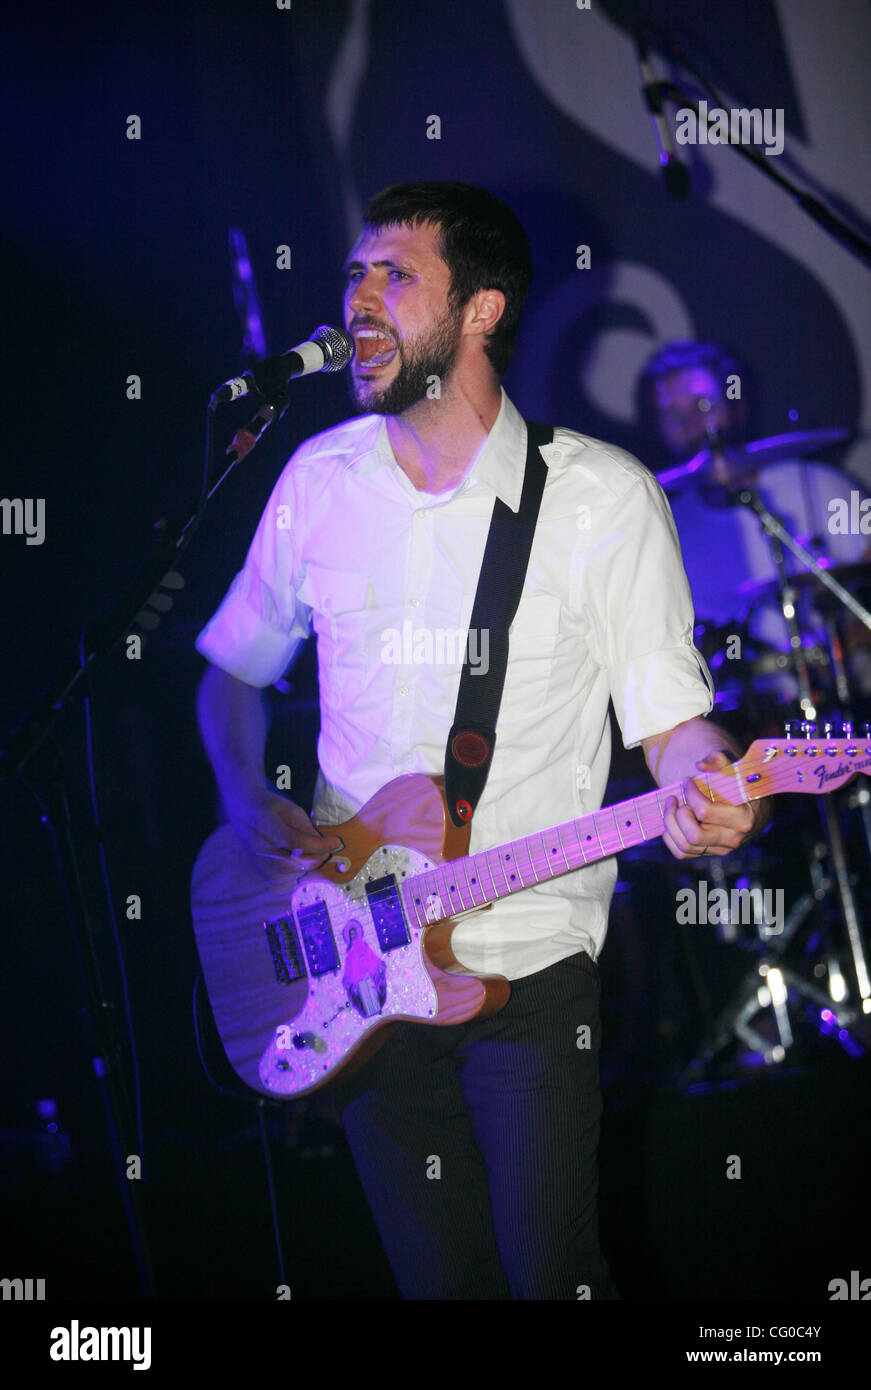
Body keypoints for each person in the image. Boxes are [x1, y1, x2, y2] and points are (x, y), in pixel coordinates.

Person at [195, 183, 769, 1300]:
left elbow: (672, 725)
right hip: (352, 976)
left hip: (532, 966)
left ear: (481, 310)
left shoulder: (600, 498)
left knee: (549, 1276)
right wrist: (235, 793)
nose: (357, 299)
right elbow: (228, 674)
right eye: (353, 273)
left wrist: (714, 789)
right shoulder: (320, 481)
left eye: (392, 276)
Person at [635, 341, 868, 706]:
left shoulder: (823, 487)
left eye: (703, 405)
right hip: (746, 720)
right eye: (674, 417)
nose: (694, 425)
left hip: (855, 694)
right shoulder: (665, 529)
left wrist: (839, 650)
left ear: (736, 404)